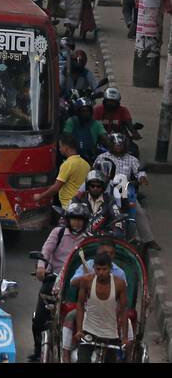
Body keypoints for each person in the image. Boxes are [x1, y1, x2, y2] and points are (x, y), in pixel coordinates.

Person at [28, 201, 90, 361]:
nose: (77, 222)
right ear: (68, 219)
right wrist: (41, 268)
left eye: (80, 219)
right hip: (53, 279)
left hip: (77, 285)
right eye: (74, 218)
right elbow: (46, 251)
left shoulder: (88, 240)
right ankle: (37, 350)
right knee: (39, 319)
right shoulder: (58, 233)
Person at [74, 251, 129, 363]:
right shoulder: (86, 281)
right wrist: (79, 330)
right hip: (89, 329)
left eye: (104, 269)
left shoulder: (120, 284)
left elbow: (123, 310)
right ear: (93, 268)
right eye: (98, 269)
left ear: (110, 269)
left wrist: (124, 337)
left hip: (110, 333)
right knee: (82, 360)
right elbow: (79, 304)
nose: (101, 272)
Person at [32, 134, 89, 209]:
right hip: (82, 204)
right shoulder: (86, 164)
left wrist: (40, 196)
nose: (59, 149)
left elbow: (56, 187)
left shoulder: (67, 164)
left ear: (66, 148)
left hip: (69, 205)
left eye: (60, 147)